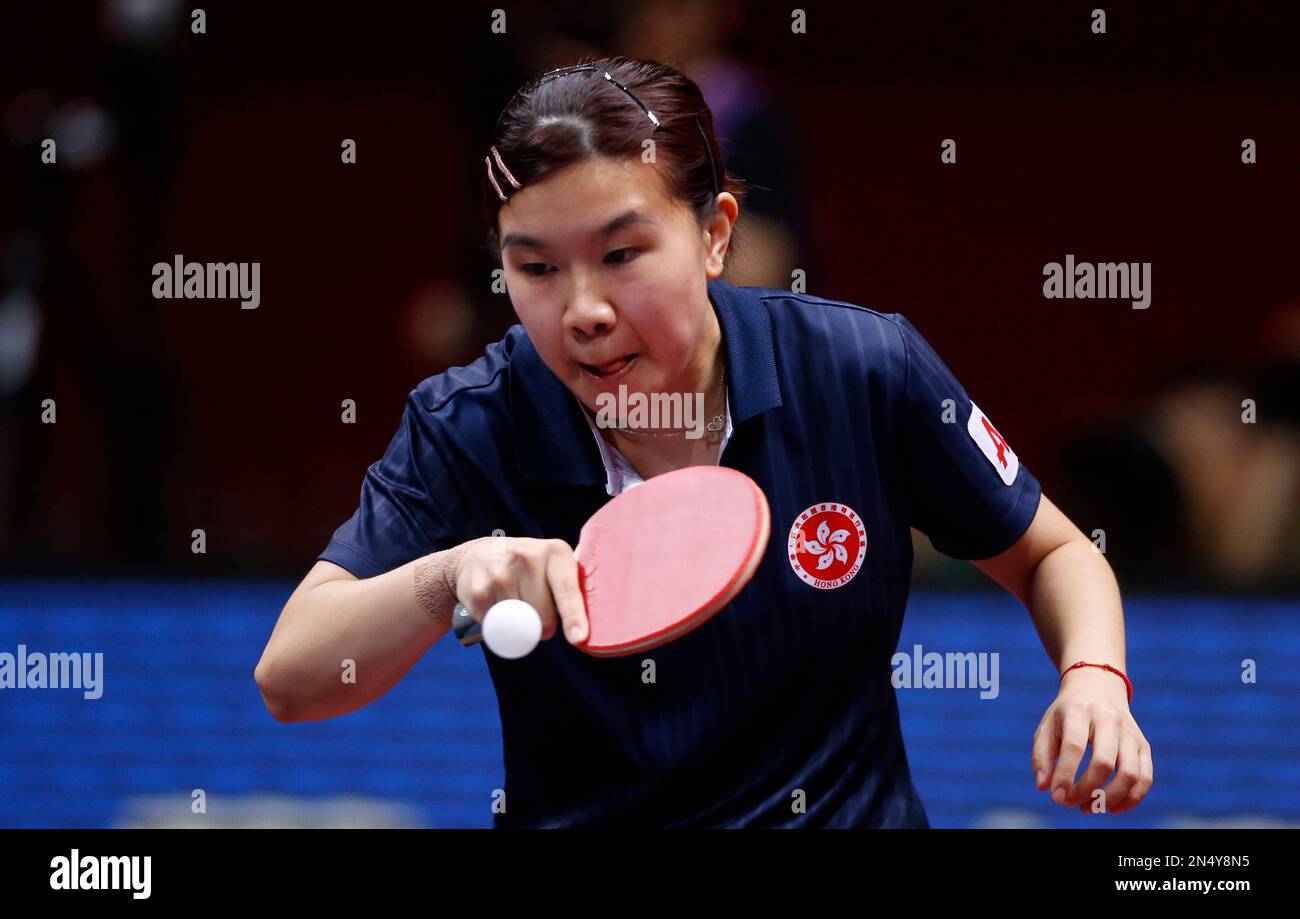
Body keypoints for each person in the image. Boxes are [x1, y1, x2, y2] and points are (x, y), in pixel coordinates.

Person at [255, 56, 1153, 827]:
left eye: (621, 255)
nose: (583, 312)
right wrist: (448, 575)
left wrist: (1094, 678)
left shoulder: (860, 369)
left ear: (716, 233)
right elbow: (292, 676)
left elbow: (1051, 553)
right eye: (534, 268)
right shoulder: (471, 422)